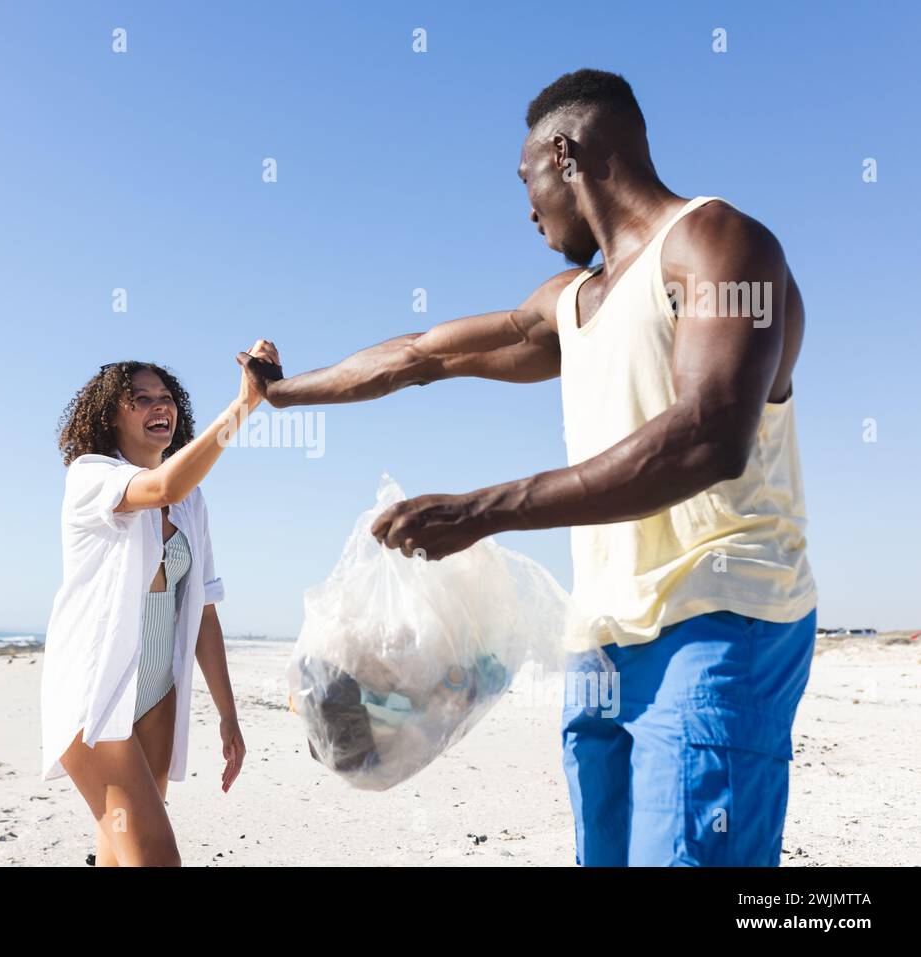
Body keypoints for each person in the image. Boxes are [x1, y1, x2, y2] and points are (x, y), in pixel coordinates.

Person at [248, 69, 816, 867]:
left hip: (719, 619)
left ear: (565, 153)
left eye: (527, 181)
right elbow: (419, 355)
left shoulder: (721, 243)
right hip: (600, 649)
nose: (527, 208)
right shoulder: (569, 303)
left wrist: (485, 510)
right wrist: (281, 395)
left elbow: (709, 437)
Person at [41, 343, 280, 866]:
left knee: (121, 854)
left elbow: (204, 614)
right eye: (141, 398)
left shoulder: (192, 501)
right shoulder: (91, 476)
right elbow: (164, 482)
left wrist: (228, 715)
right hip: (95, 692)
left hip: (158, 691)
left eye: (166, 397)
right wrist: (245, 403)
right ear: (111, 415)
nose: (160, 406)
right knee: (156, 857)